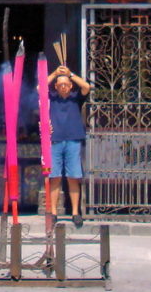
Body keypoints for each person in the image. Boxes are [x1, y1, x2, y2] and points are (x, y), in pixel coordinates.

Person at [47, 64, 90, 228]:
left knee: (73, 177)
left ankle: (75, 212)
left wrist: (70, 73)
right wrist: (55, 73)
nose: (63, 87)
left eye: (66, 84)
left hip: (73, 139)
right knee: (55, 177)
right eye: (60, 84)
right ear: (56, 87)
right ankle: (53, 212)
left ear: (71, 86)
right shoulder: (51, 97)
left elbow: (86, 86)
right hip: (55, 140)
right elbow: (39, 87)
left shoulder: (75, 98)